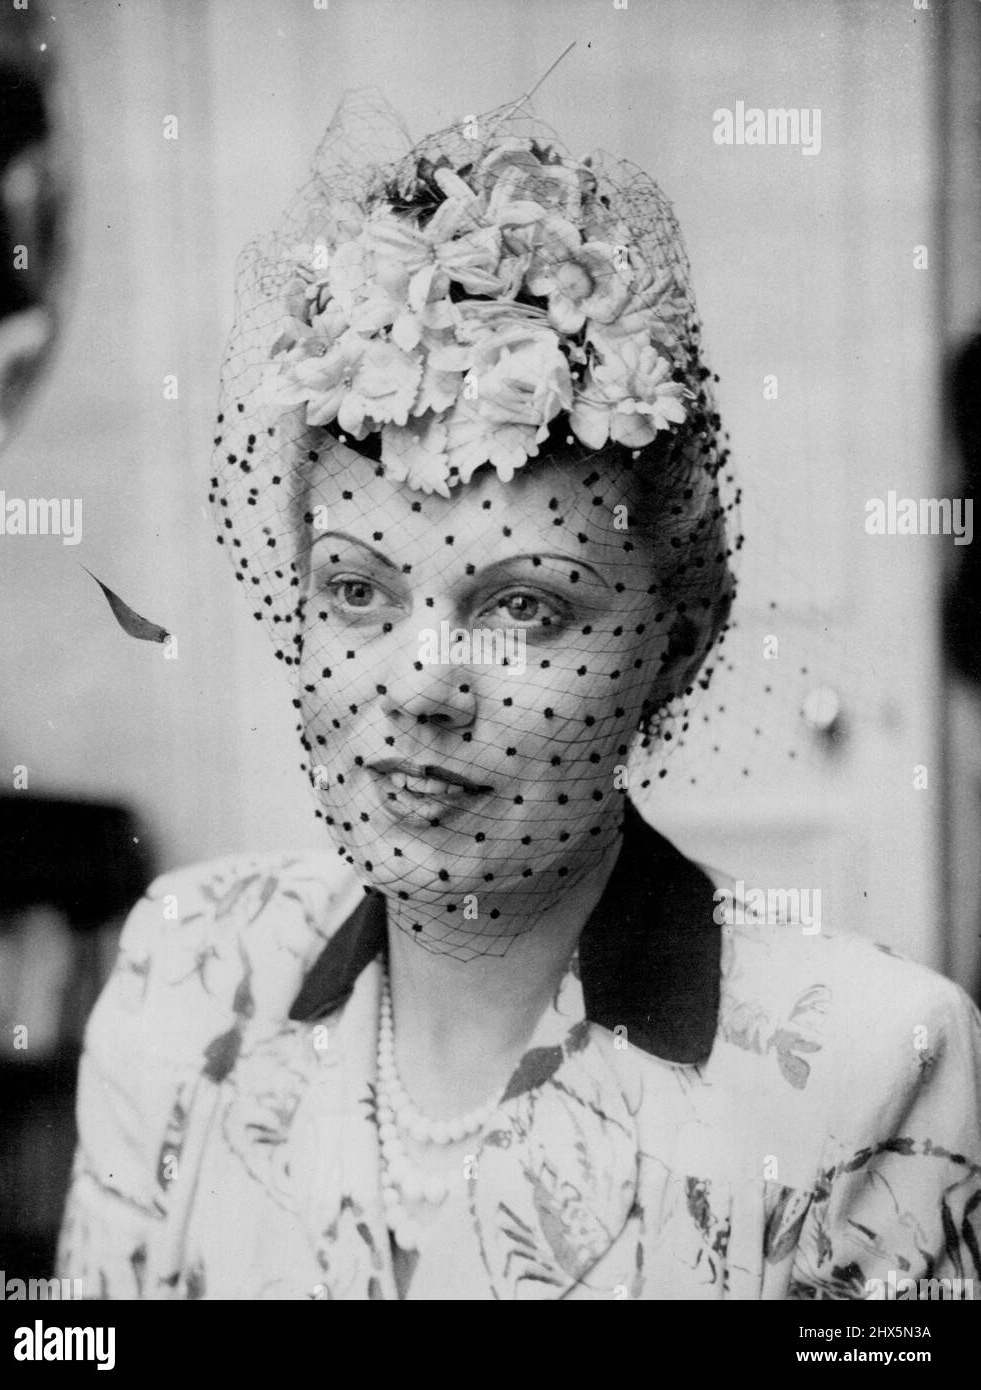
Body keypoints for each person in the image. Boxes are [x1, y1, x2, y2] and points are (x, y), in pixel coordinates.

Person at [57, 93, 981, 1300]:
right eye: (356, 589)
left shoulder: (865, 1067)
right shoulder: (181, 976)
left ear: (677, 640)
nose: (423, 683)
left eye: (525, 607)